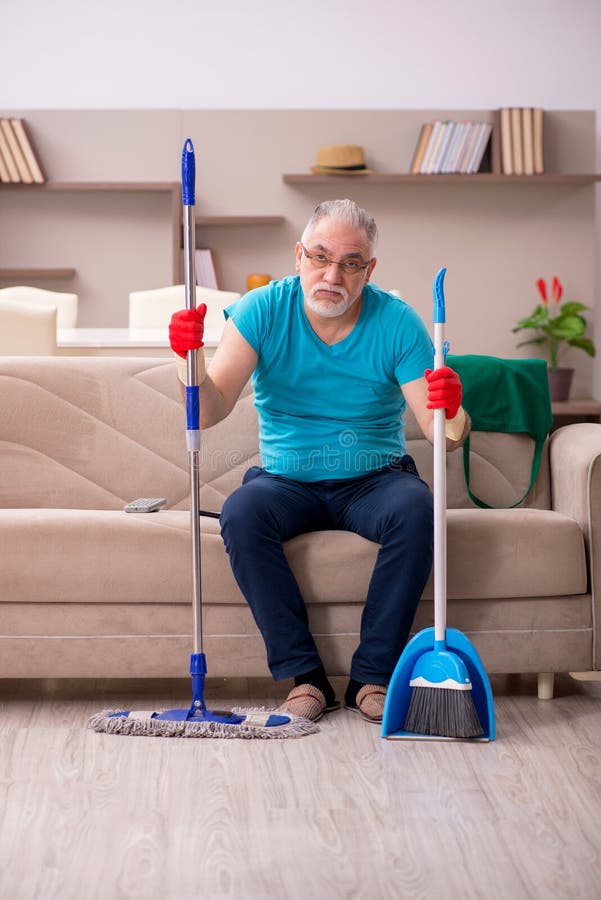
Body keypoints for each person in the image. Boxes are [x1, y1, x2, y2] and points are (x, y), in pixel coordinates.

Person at [169, 199, 469, 723]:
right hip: (287, 480)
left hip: (375, 480)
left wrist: (454, 409)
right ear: (299, 256)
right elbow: (210, 408)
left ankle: (373, 677)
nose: (333, 275)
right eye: (321, 257)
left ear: (369, 270)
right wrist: (185, 361)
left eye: (351, 263)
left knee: (418, 508)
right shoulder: (263, 309)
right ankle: (305, 680)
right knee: (241, 513)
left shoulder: (397, 322)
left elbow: (441, 436)